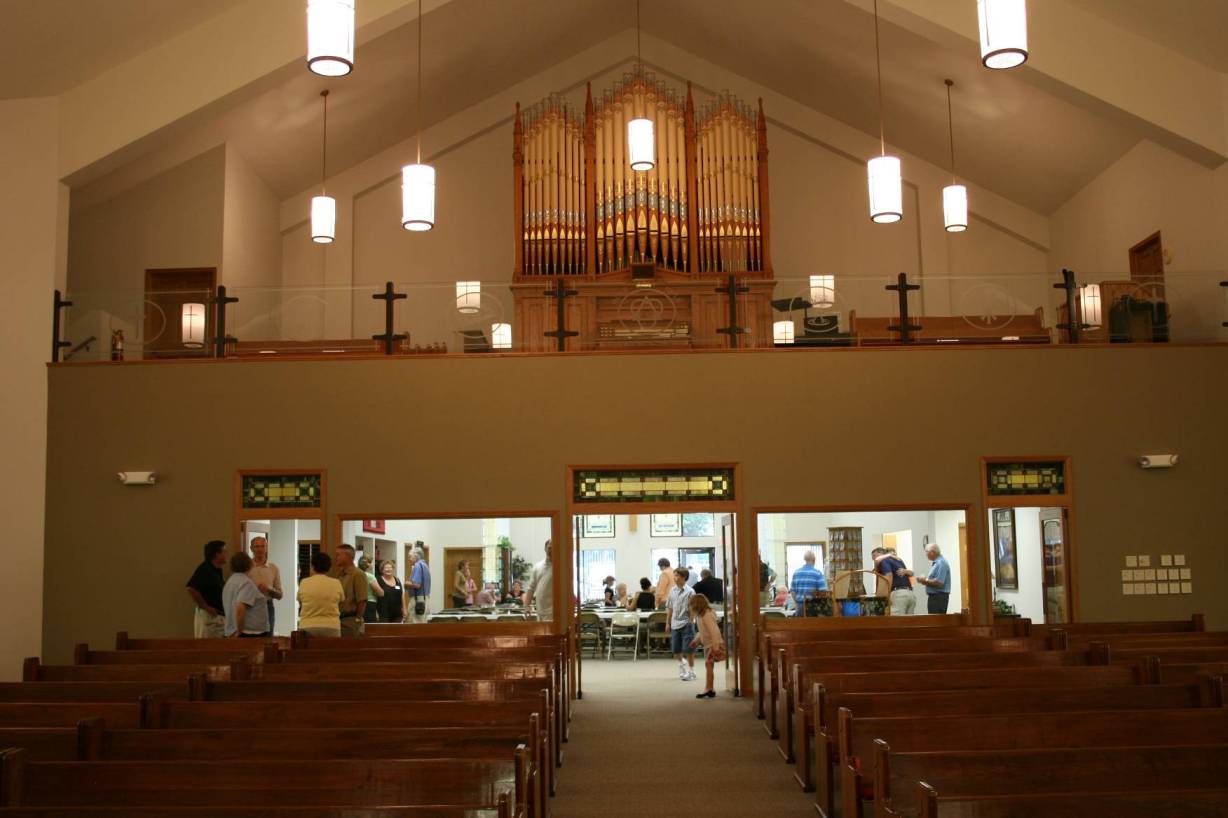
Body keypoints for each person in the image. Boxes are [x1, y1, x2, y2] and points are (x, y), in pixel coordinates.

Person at [185, 540, 227, 638]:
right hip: (208, 618)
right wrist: (205, 606)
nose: (226, 554)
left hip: (217, 617)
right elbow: (191, 588)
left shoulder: (217, 569)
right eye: (224, 551)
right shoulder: (205, 569)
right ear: (217, 554)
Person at [222, 552, 270, 638]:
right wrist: (239, 631)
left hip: (235, 630)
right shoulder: (246, 583)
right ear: (249, 564)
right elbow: (240, 607)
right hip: (249, 633)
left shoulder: (230, 581)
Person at [688, 593, 726, 699]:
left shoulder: (706, 615)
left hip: (713, 644)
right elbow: (702, 631)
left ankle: (708, 688)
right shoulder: (701, 615)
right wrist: (696, 641)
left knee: (708, 665)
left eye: (691, 605)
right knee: (709, 665)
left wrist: (715, 646)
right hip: (708, 644)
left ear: (697, 605)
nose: (690, 608)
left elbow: (714, 631)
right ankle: (710, 688)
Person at [298, 551, 344, 638]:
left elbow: (300, 600)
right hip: (331, 626)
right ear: (329, 567)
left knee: (307, 652)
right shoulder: (336, 583)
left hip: (307, 625)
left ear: (312, 566)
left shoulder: (304, 582)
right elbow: (341, 601)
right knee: (331, 652)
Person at [328, 544, 368, 636]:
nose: (336, 557)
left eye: (338, 555)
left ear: (347, 556)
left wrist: (357, 619)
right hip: (337, 620)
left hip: (350, 620)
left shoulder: (358, 574)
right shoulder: (339, 575)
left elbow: (362, 599)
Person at [248, 537, 283, 634]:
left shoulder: (273, 568)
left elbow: (280, 595)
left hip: (267, 605)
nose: (260, 549)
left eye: (263, 546)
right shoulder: (246, 567)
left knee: (268, 638)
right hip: (250, 605)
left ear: (267, 548)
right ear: (251, 548)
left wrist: (268, 590)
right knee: (251, 638)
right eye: (257, 546)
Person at [666, 567, 696, 681]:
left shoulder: (690, 591)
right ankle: (682, 664)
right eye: (674, 575)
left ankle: (691, 671)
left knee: (689, 649)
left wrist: (691, 621)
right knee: (675, 649)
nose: (675, 578)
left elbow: (693, 608)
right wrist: (667, 623)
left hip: (686, 623)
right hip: (674, 623)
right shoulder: (672, 591)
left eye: (677, 575)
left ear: (684, 577)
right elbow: (670, 608)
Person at [872, 546, 915, 615]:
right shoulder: (898, 560)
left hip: (899, 595)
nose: (873, 558)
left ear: (881, 553)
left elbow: (889, 576)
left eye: (874, 555)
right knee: (909, 622)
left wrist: (888, 596)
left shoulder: (884, 561)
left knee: (897, 622)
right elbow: (911, 573)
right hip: (910, 594)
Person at [790, 550, 828, 617]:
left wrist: (798, 602)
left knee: (800, 626)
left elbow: (792, 591)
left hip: (799, 607)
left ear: (805, 559)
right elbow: (823, 592)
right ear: (814, 559)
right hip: (813, 607)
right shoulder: (817, 573)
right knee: (811, 627)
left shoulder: (796, 573)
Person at [917, 544, 952, 614]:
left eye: (926, 552)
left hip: (938, 598)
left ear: (932, 552)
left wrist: (925, 580)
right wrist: (924, 581)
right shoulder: (937, 563)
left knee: (936, 621)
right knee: (933, 620)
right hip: (935, 597)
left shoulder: (941, 563)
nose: (926, 554)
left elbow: (939, 583)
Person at [523, 539, 553, 620]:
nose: (551, 550)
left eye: (553, 548)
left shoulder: (561, 566)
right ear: (545, 549)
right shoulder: (538, 566)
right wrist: (526, 606)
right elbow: (531, 588)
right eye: (549, 548)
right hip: (540, 611)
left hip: (555, 612)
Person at [406, 548, 432, 623]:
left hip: (418, 600)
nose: (409, 559)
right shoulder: (425, 566)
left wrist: (406, 583)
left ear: (416, 556)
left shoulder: (417, 566)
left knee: (414, 624)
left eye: (410, 557)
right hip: (425, 599)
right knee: (423, 623)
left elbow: (417, 585)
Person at [359, 556, 383, 624]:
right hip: (369, 603)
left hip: (358, 603)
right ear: (367, 564)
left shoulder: (357, 574)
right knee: (370, 627)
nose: (372, 564)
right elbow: (380, 593)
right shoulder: (370, 576)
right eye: (371, 563)